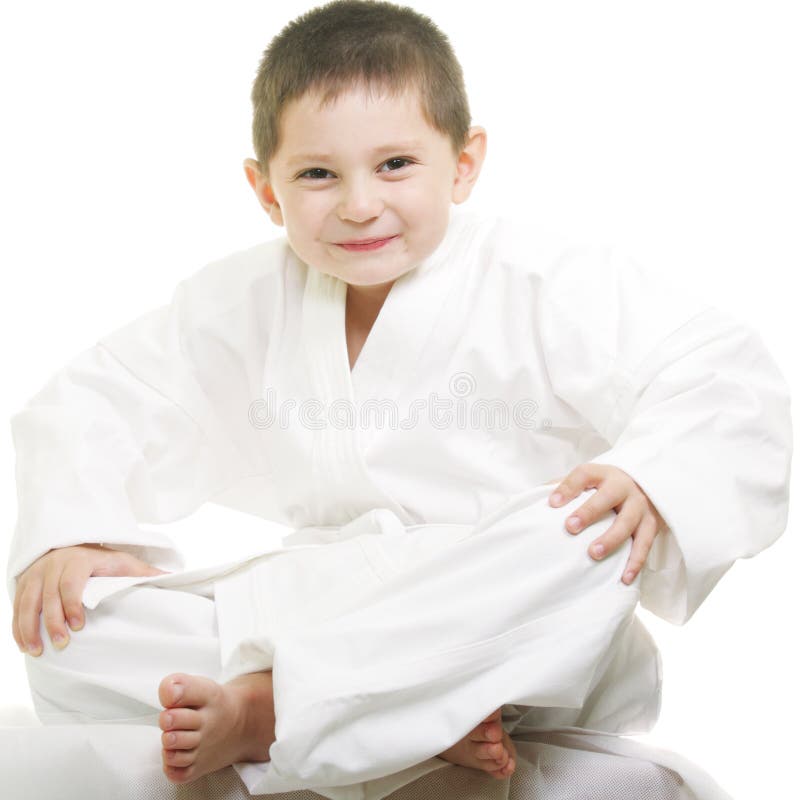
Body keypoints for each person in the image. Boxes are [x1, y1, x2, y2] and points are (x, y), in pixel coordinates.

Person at [6, 1, 791, 798]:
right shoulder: (244, 297)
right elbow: (102, 398)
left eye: (394, 165)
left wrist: (651, 475)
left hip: (490, 606)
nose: (358, 204)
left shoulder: (542, 279)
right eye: (317, 173)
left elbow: (723, 373)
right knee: (67, 632)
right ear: (265, 189)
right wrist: (72, 533)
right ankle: (411, 716)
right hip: (330, 599)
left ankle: (288, 710)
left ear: (463, 162)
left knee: (585, 526)